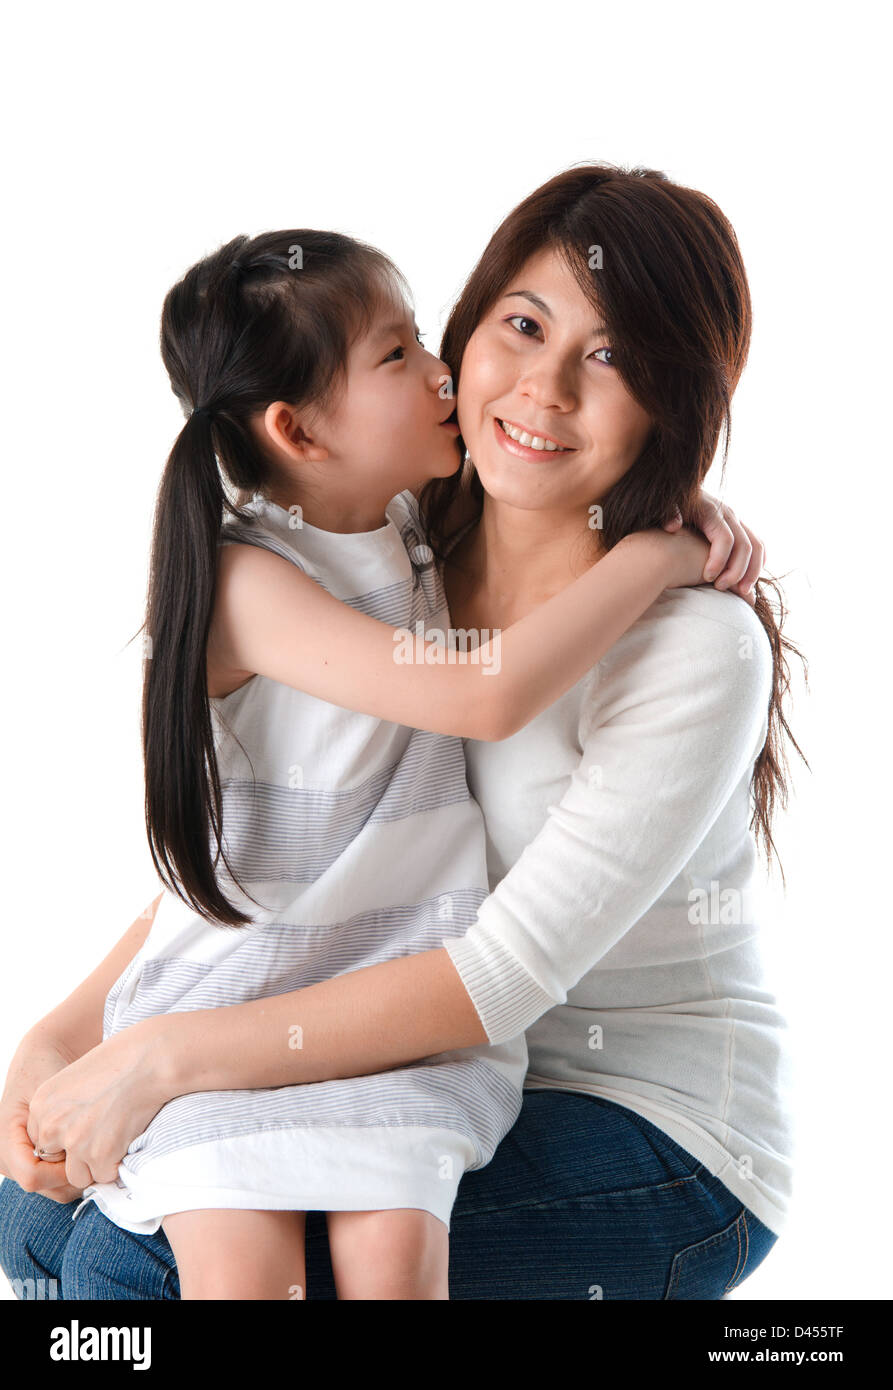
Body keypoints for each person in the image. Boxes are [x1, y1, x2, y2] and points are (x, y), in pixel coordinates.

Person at [0, 163, 804, 1300]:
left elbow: (500, 976)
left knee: (128, 1264)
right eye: (522, 326)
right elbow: (289, 856)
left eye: (612, 357)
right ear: (465, 330)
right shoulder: (397, 547)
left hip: (647, 1130)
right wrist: (64, 1037)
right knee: (32, 1213)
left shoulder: (694, 648)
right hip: (407, 1056)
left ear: (674, 402)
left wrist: (159, 1060)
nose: (545, 389)